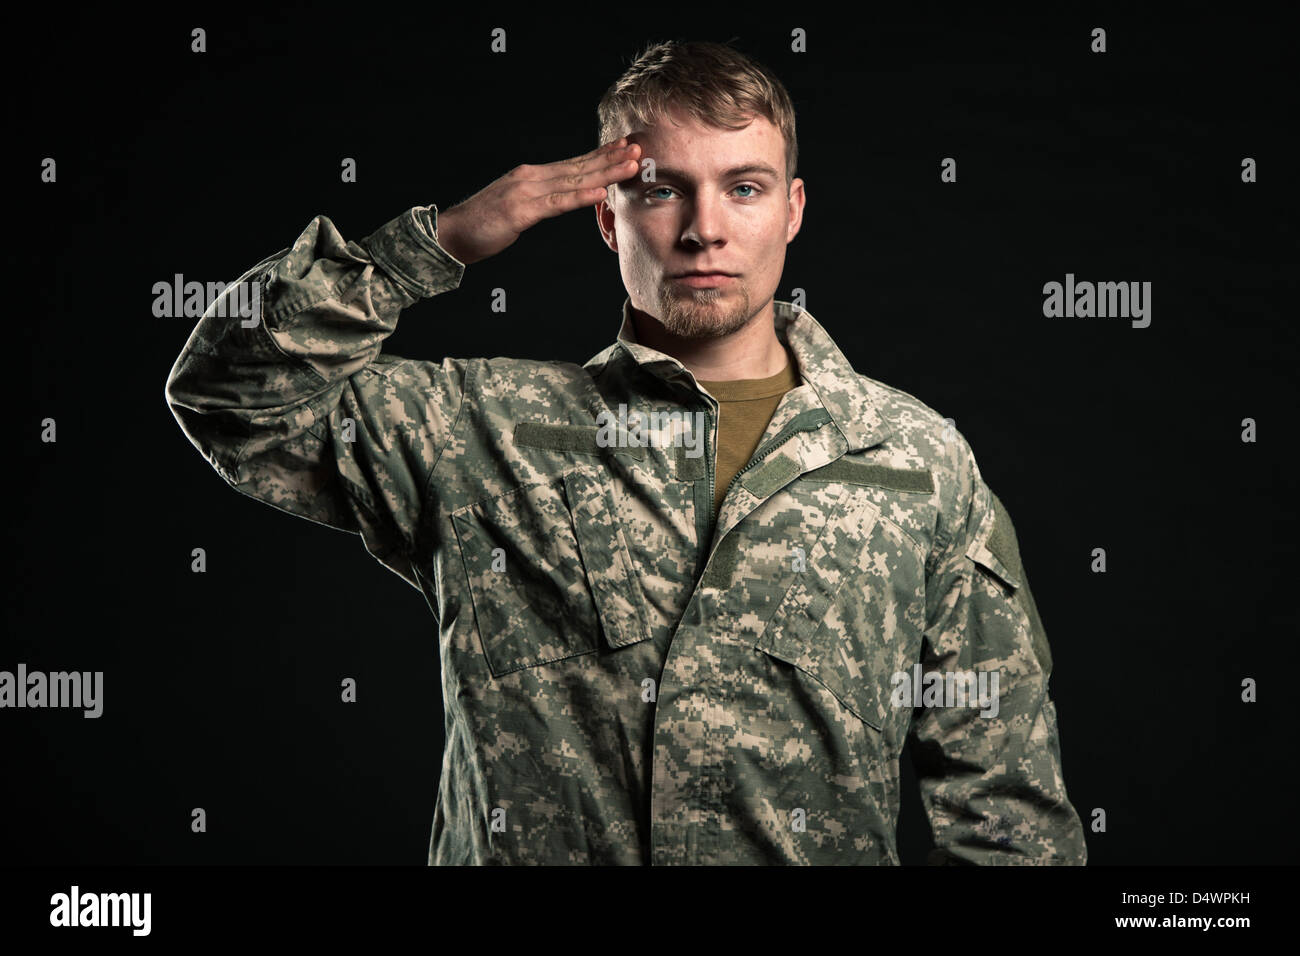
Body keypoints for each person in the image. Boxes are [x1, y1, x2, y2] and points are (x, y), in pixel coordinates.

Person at [165, 39, 1087, 865]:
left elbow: (1004, 797)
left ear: (792, 210)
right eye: (661, 189)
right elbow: (232, 398)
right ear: (607, 217)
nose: (704, 228)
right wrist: (432, 245)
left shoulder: (915, 460)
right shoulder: (480, 429)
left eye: (744, 186)